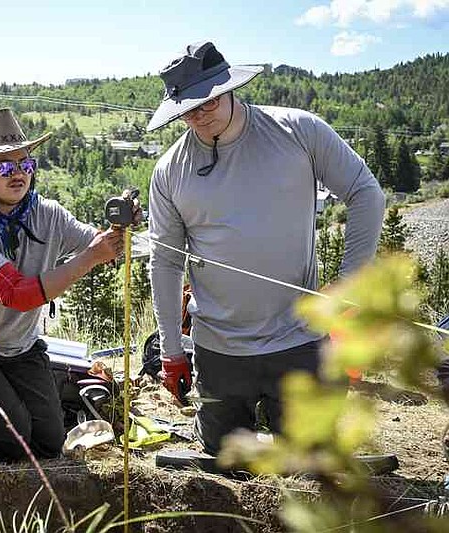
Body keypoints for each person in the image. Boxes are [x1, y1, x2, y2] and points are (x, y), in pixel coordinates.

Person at [146, 41, 385, 456]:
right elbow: (165, 261)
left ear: (229, 86)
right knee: (226, 465)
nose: (199, 115)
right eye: (187, 108)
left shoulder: (299, 131)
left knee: (309, 465)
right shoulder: (170, 170)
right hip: (217, 350)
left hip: (299, 341)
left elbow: (366, 194)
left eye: (207, 101)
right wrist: (171, 350)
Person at [0, 107, 130, 462]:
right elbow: (17, 294)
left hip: (17, 345)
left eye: (25, 164)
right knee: (13, 446)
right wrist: (89, 258)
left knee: (49, 443)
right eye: (4, 167)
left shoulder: (47, 213)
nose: (18, 174)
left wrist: (119, 233)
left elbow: (94, 242)